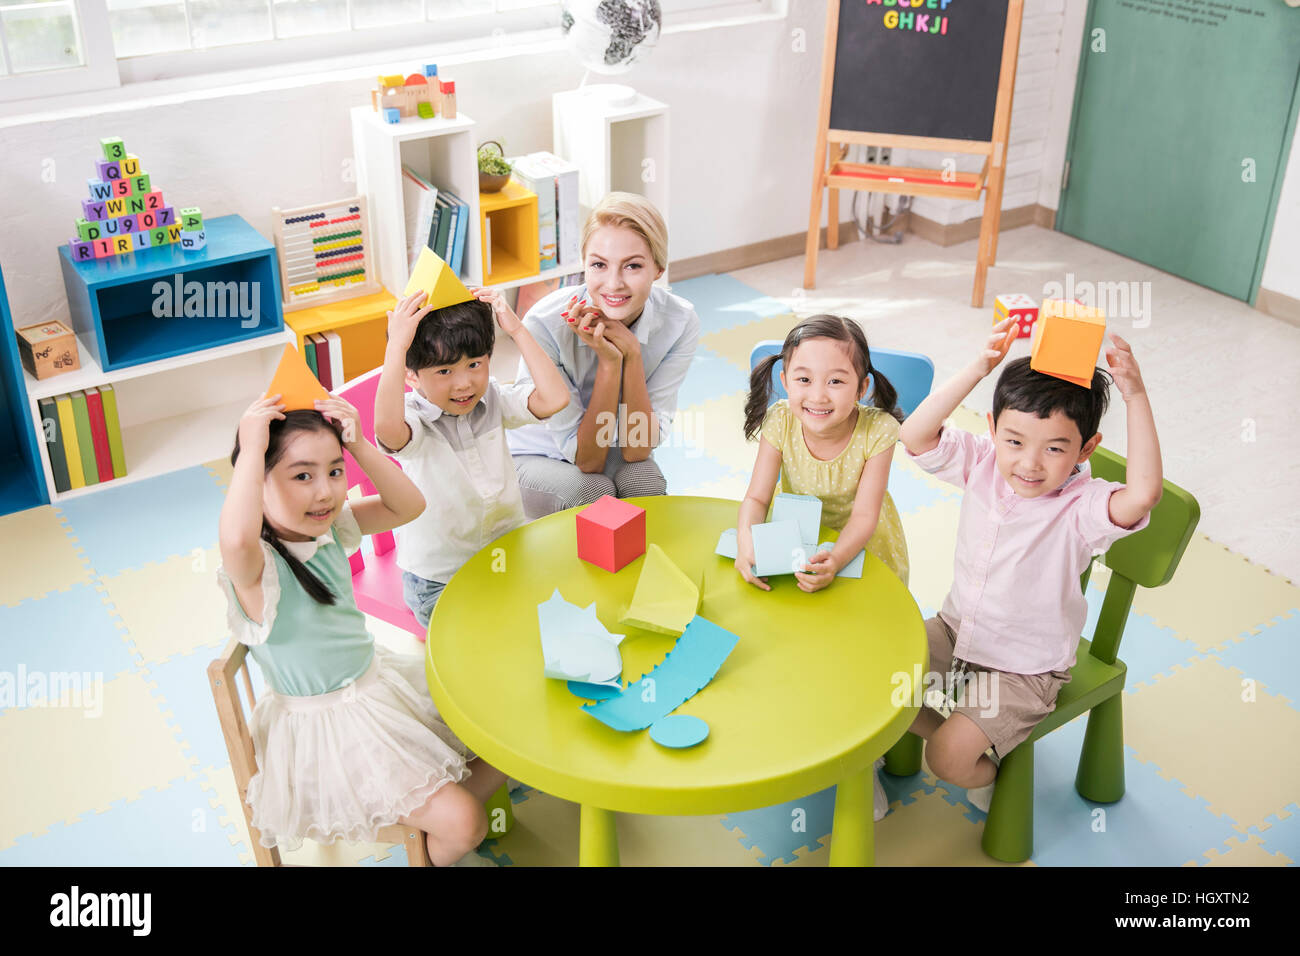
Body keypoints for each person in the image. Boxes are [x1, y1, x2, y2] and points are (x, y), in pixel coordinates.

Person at [217, 394, 509, 866]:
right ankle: (430, 836)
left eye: (334, 471)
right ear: (258, 484)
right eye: (301, 475)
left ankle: (423, 808)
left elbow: (409, 504)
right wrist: (250, 451)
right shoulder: (256, 570)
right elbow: (235, 537)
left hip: (378, 691)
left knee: (505, 743)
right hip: (327, 735)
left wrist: (359, 447)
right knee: (466, 823)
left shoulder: (330, 530)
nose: (325, 492)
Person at [897, 318, 1163, 813]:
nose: (1029, 464)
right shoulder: (981, 462)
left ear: (1086, 449)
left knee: (948, 760)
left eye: (1055, 448)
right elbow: (914, 433)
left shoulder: (1083, 506)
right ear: (994, 430)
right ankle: (953, 731)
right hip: (957, 633)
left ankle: (985, 763)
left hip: (1025, 669)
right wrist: (980, 366)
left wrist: (1135, 396)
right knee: (874, 678)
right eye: (1014, 442)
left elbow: (1144, 493)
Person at [736, 314, 911, 823]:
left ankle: (866, 762)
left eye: (836, 380)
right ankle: (808, 729)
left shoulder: (879, 430)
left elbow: (864, 516)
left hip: (865, 553)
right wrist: (748, 537)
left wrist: (837, 558)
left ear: (864, 385)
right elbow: (756, 496)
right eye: (803, 378)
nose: (818, 394)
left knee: (863, 658)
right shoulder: (779, 420)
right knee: (804, 648)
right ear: (784, 379)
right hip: (799, 548)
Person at [374, 284, 570, 629]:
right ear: (411, 375)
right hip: (439, 581)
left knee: (550, 618)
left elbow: (554, 399)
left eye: (475, 364)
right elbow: (388, 430)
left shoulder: (492, 399)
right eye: (444, 372)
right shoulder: (414, 419)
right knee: (483, 644)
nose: (464, 383)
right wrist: (396, 349)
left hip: (505, 556)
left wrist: (516, 329)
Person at [508, 192, 699, 518]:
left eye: (633, 266)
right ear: (584, 264)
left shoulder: (680, 323)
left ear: (658, 268)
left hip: (615, 448)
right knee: (594, 496)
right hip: (537, 455)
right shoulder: (544, 324)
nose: (614, 284)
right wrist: (611, 363)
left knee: (646, 487)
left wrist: (632, 356)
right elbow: (587, 460)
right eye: (599, 264)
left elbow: (637, 448)